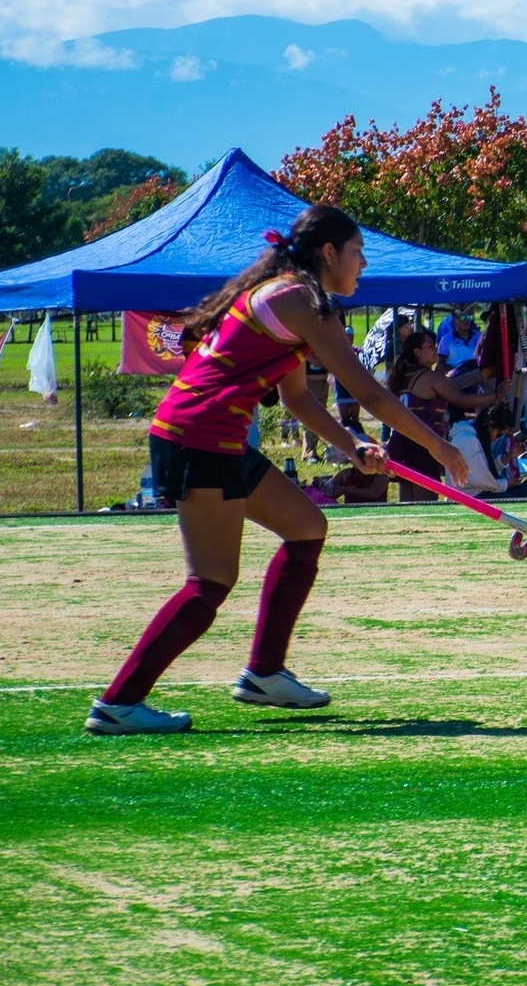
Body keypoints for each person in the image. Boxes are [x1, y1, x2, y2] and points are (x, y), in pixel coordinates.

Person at [86, 206, 470, 736]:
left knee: (307, 526)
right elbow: (368, 390)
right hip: (199, 437)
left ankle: (264, 672)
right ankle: (118, 703)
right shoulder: (301, 301)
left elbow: (297, 400)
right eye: (357, 252)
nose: (363, 264)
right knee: (210, 582)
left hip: (211, 436)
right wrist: (440, 447)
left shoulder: (290, 298)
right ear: (329, 253)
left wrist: (352, 443)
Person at [385, 329, 509, 500]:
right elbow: (462, 400)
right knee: (425, 507)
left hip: (400, 443)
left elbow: (452, 385)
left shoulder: (401, 375)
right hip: (421, 443)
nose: (436, 349)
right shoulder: (431, 376)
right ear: (417, 352)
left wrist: (479, 375)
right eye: (430, 346)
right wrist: (497, 395)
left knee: (408, 507)